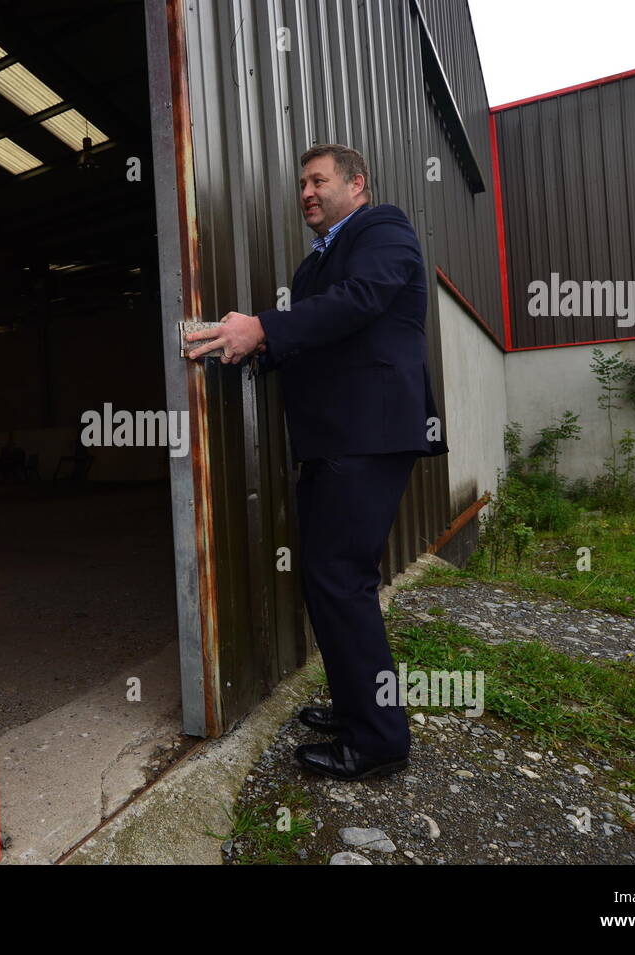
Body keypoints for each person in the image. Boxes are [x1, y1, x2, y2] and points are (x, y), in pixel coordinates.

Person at [185, 143, 448, 781]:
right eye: (300, 183)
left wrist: (266, 329)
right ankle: (361, 707)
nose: (306, 192)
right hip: (329, 441)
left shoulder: (383, 228)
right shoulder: (309, 271)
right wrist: (240, 344)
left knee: (340, 580)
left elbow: (361, 299)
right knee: (329, 581)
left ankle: (380, 741)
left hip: (370, 435)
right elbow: (311, 339)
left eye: (318, 179)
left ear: (356, 184)